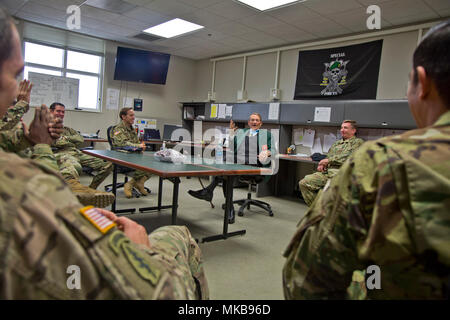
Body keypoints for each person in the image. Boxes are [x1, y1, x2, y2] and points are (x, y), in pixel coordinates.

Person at [0, 8, 208, 299]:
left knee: (113, 163)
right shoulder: (23, 185)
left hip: (81, 157)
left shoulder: (29, 154)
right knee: (179, 234)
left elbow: (67, 142)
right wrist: (139, 248)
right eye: (15, 75)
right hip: (74, 170)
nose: (19, 93)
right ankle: (97, 190)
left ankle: (103, 188)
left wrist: (33, 139)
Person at [282, 20, 450, 299]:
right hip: (328, 171)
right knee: (306, 181)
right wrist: (322, 160)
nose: (343, 130)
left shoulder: (382, 160)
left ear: (422, 83)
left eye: (346, 128)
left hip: (339, 180)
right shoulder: (340, 144)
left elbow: (305, 279)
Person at [188, 113, 274, 223]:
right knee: (227, 170)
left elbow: (274, 150)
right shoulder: (242, 133)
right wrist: (232, 134)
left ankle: (209, 191)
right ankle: (229, 208)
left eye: (257, 120)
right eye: (252, 120)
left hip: (256, 164)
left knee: (228, 164)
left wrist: (268, 152)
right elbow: (232, 148)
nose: (254, 122)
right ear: (248, 122)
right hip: (239, 162)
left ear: (261, 123)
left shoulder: (266, 135)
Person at [298, 120, 364, 206]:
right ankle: (318, 210)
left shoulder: (358, 142)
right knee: (304, 183)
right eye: (341, 128)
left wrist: (329, 160)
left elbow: (349, 157)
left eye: (345, 128)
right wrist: (322, 164)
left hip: (342, 175)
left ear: (353, 130)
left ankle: (327, 212)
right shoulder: (337, 143)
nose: (342, 130)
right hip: (327, 173)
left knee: (333, 195)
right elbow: (328, 157)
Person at [49, 102, 113, 190]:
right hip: (61, 154)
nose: (61, 114)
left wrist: (65, 138)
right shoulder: (45, 128)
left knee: (108, 164)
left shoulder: (66, 129)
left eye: (63, 112)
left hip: (76, 153)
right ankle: (74, 193)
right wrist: (70, 140)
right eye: (58, 111)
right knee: (74, 167)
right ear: (50, 112)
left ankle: (91, 189)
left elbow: (80, 139)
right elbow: (56, 143)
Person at [109, 107, 151, 198]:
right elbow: (122, 143)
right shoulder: (118, 129)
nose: (133, 117)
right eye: (131, 115)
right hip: (122, 158)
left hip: (133, 156)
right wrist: (138, 146)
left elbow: (135, 144)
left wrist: (141, 146)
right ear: (123, 117)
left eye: (134, 115)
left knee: (153, 163)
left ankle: (139, 183)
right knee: (146, 165)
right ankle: (130, 184)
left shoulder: (132, 129)